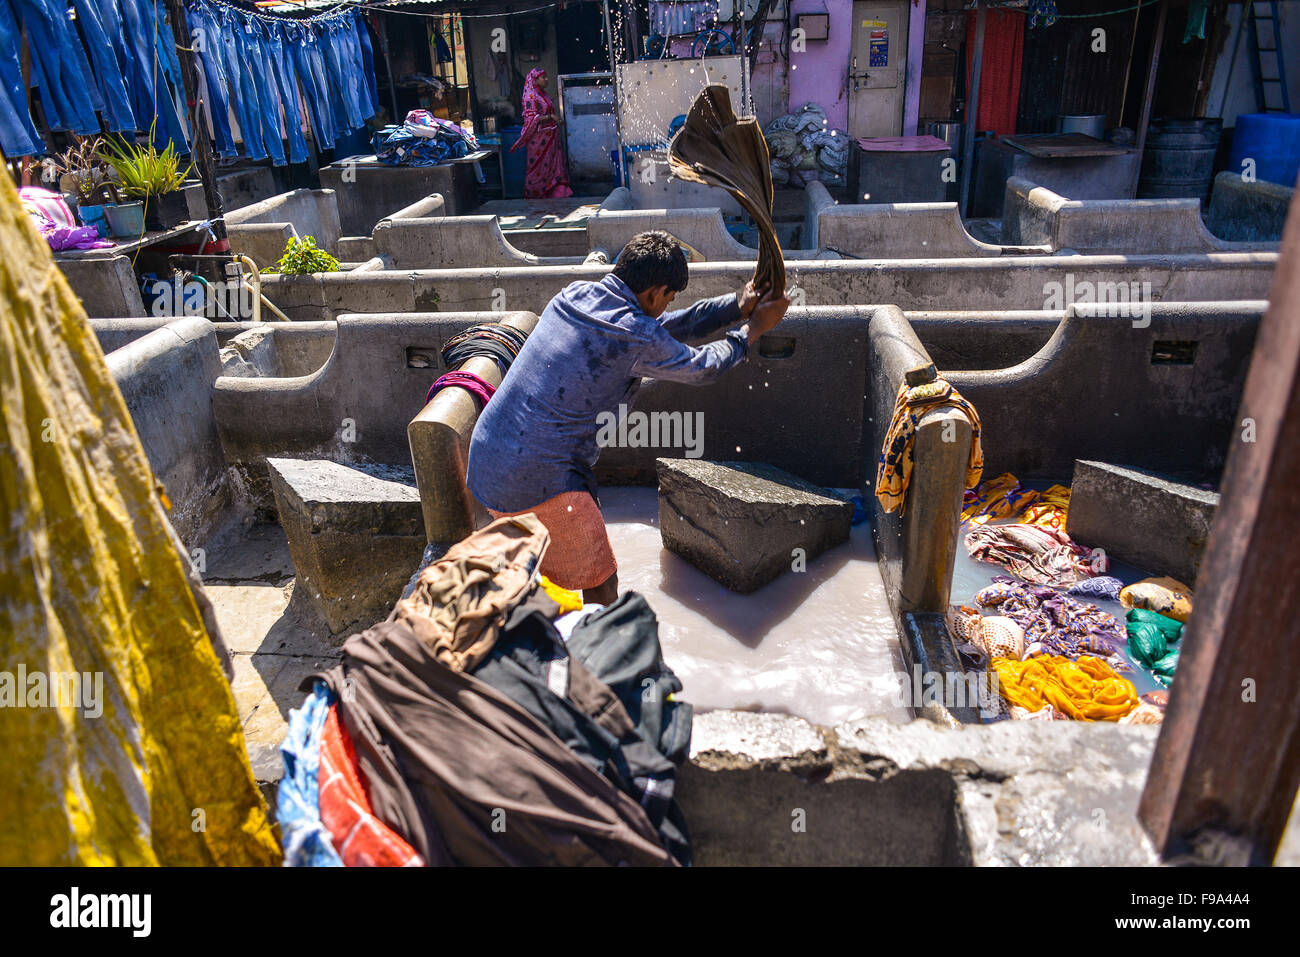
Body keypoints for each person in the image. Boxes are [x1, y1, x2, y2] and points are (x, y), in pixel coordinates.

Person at [467, 230, 790, 604]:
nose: (666, 306)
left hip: (487, 457)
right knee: (602, 582)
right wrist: (752, 331)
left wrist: (736, 306)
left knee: (532, 570)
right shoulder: (634, 333)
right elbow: (701, 368)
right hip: (537, 478)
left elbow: (664, 328)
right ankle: (601, 657)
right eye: (667, 297)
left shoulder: (575, 295)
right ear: (654, 293)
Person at [510, 68, 573, 198]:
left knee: (554, 166)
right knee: (537, 169)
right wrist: (551, 117)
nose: (546, 79)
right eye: (543, 77)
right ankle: (536, 194)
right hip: (539, 141)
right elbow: (530, 119)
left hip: (551, 139)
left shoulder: (543, 94)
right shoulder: (530, 96)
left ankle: (557, 192)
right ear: (536, 79)